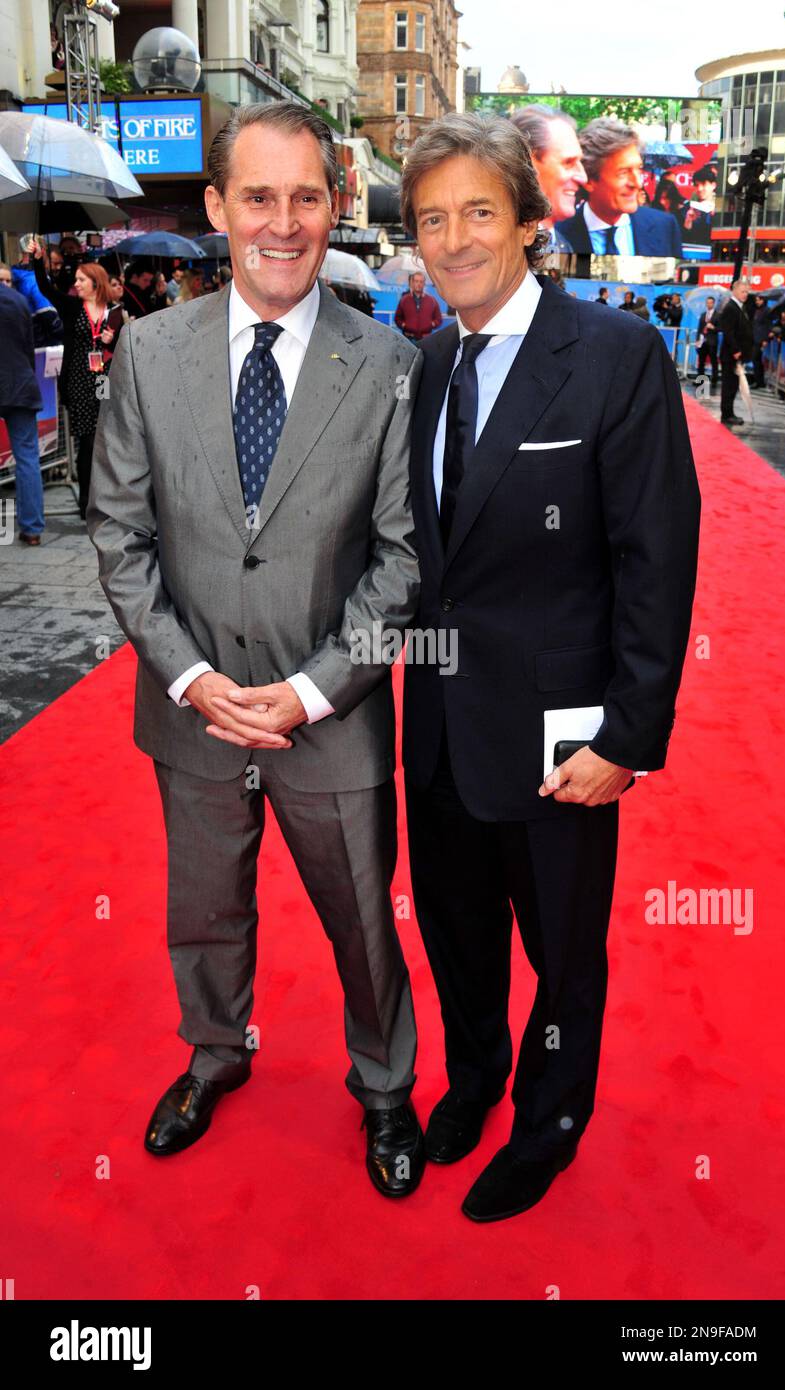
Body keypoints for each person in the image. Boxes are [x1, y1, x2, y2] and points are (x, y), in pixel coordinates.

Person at [87, 101, 426, 1199]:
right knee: (206, 908)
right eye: (260, 197)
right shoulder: (147, 352)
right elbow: (122, 535)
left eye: (306, 197)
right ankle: (215, 1050)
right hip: (191, 713)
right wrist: (190, 677)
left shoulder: (389, 366)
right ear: (221, 207)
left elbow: (405, 562)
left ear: (335, 206)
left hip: (332, 719)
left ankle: (384, 1085)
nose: (283, 223)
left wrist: (313, 692)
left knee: (363, 924)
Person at [399, 112, 701, 1223]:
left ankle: (551, 1120)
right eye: (433, 219)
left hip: (561, 736)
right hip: (434, 727)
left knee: (563, 955)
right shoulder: (430, 362)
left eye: (479, 211)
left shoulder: (615, 354)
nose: (456, 238)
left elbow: (656, 555)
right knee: (456, 934)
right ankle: (475, 1077)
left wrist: (627, 736)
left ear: (527, 220)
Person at [32, 244, 124, 518]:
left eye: (82, 279)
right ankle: (87, 502)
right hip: (80, 382)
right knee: (88, 441)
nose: (76, 284)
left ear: (96, 283)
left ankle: (108, 497)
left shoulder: (114, 311)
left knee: (106, 441)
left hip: (106, 382)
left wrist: (113, 339)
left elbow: (122, 348)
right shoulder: (73, 308)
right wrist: (38, 261)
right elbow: (47, 290)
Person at [555, 118, 683, 258]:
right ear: (590, 180)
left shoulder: (664, 226)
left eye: (639, 169)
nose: (637, 183)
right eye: (623, 172)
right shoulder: (557, 234)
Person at [0, 270, 46, 544]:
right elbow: (30, 345)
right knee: (27, 458)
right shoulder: (18, 301)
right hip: (20, 383)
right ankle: (32, 530)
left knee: (26, 457)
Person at [509, 106, 586, 254]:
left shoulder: (565, 245)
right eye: (568, 163)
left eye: (580, 162)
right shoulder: (495, 247)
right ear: (528, 164)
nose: (583, 177)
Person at [717, 279, 753, 427]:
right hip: (731, 354)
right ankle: (726, 415)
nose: (746, 295)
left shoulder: (739, 307)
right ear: (735, 290)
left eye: (747, 292)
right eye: (743, 291)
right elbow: (728, 332)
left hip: (735, 354)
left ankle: (729, 413)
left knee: (732, 385)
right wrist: (736, 350)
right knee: (729, 385)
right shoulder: (731, 307)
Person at [394, 270, 442, 342]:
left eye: (421, 282)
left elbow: (438, 319)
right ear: (412, 283)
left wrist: (431, 325)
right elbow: (398, 318)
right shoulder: (404, 300)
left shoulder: (432, 300)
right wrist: (404, 325)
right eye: (416, 281)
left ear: (424, 284)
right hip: (409, 338)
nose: (418, 284)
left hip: (426, 339)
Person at [696, 295, 719, 390]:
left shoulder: (718, 315)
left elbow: (721, 328)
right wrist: (697, 339)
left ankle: (714, 381)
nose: (709, 304)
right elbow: (699, 328)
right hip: (703, 341)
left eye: (710, 302)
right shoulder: (703, 315)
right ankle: (701, 380)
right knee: (701, 362)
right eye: (707, 302)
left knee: (714, 362)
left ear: (713, 304)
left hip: (712, 342)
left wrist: (713, 327)